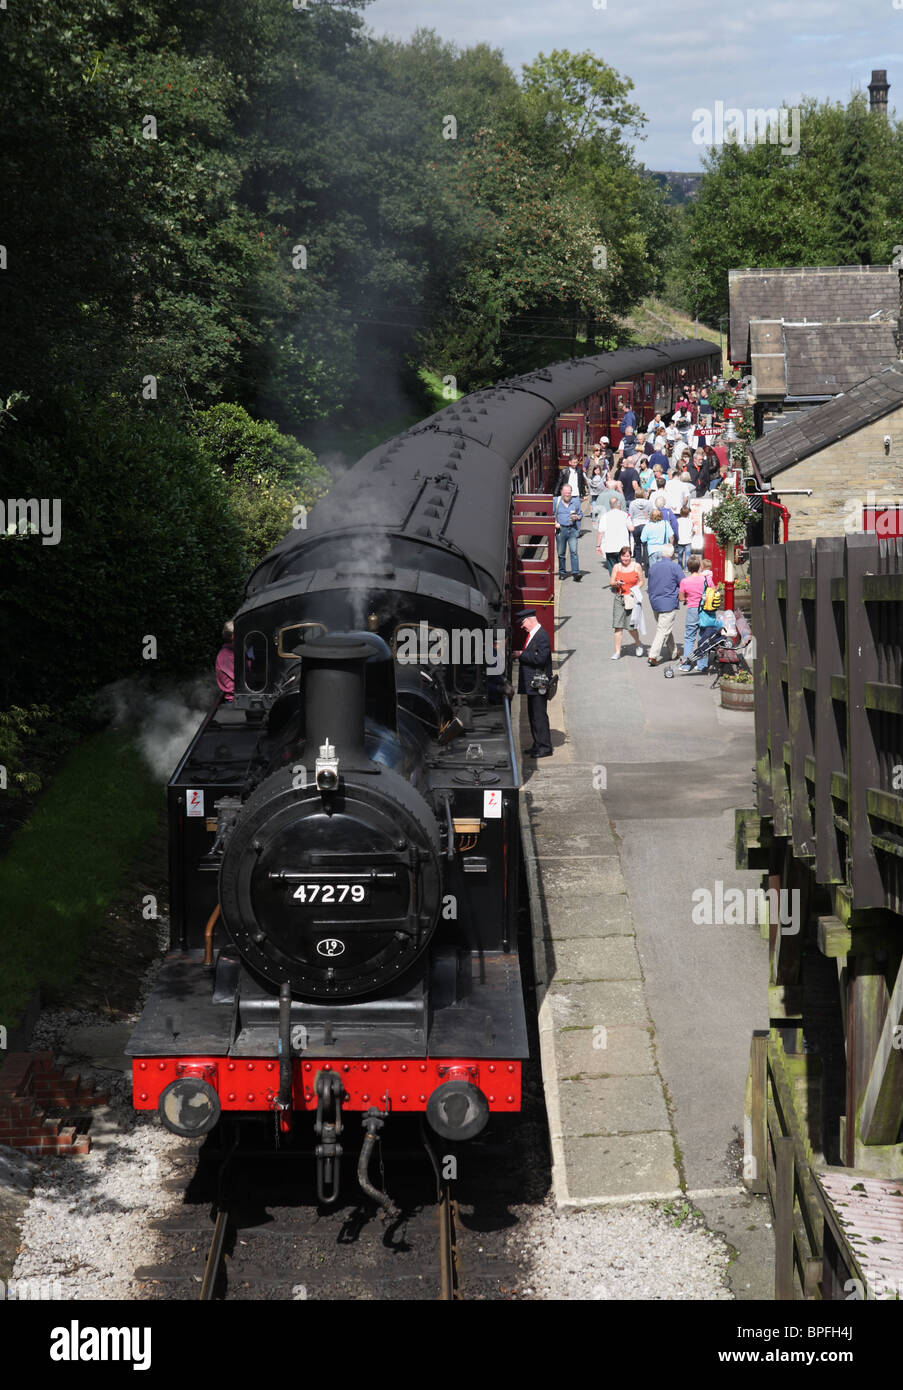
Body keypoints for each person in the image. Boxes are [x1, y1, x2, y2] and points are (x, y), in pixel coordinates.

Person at [513, 609, 553, 757]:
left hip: (539, 682)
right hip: (533, 683)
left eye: (523, 623)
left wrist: (522, 654)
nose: (522, 627)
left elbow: (541, 659)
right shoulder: (533, 635)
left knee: (539, 715)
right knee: (533, 715)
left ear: (530, 620)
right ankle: (537, 744)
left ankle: (545, 747)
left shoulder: (541, 635)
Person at [646, 544, 684, 666]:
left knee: (665, 628)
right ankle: (653, 655)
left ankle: (673, 652)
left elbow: (650, 584)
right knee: (663, 630)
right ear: (672, 554)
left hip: (655, 602)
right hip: (668, 602)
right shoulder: (675, 567)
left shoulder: (653, 567)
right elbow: (683, 583)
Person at [677, 556, 713, 671]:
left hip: (692, 609)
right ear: (699, 567)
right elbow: (713, 591)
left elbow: (681, 598)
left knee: (689, 638)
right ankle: (702, 665)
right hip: (705, 610)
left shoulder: (685, 581)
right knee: (703, 637)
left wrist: (688, 597)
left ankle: (686, 665)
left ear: (688, 567)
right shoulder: (706, 579)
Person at [610, 546, 645, 659]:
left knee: (631, 627)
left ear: (631, 556)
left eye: (628, 556)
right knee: (618, 626)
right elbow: (611, 582)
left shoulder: (636, 566)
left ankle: (638, 643)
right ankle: (617, 652)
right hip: (620, 598)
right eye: (623, 556)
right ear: (620, 556)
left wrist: (634, 589)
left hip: (631, 598)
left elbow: (641, 581)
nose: (626, 558)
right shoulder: (617, 567)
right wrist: (617, 583)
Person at [597, 494, 633, 573]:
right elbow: (631, 528)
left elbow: (600, 532)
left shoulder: (605, 516)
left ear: (610, 506)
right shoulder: (625, 515)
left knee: (612, 569)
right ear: (619, 505)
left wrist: (598, 545)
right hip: (623, 547)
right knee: (623, 568)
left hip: (610, 547)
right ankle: (621, 583)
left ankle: (615, 583)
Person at [554, 483, 583, 581]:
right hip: (561, 530)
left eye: (569, 492)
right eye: (565, 492)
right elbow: (550, 514)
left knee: (574, 552)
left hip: (573, 529)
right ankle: (562, 572)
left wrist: (577, 517)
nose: (567, 494)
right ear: (561, 492)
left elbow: (580, 514)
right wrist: (555, 523)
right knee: (561, 552)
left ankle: (575, 573)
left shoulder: (575, 502)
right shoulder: (556, 501)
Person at [216, 620, 235, 702]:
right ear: (233, 636)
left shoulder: (234, 652)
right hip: (234, 699)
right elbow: (241, 678)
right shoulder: (227, 655)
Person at [676, 503, 693, 570]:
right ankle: (687, 567)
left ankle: (680, 566)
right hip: (688, 540)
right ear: (688, 513)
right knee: (688, 555)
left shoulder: (678, 520)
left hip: (680, 540)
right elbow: (693, 529)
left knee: (680, 555)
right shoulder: (690, 521)